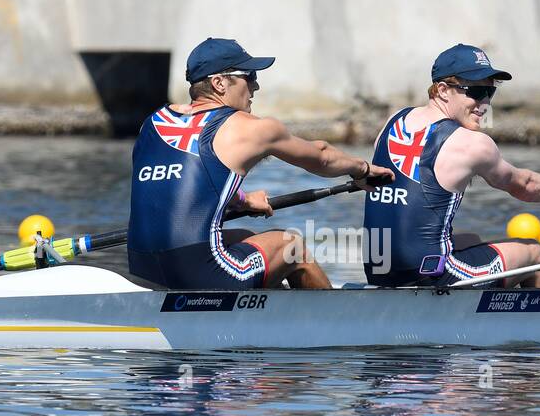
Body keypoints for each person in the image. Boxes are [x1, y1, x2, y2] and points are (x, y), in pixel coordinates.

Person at [128, 38, 392, 289]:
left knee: (244, 236)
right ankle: (335, 323)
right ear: (219, 83)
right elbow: (321, 156)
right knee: (293, 246)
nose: (255, 87)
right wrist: (363, 170)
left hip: (142, 266)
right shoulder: (253, 129)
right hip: (197, 272)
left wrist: (241, 200)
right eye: (249, 77)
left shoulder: (151, 123)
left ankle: (262, 308)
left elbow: (183, 183)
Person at [363, 43, 540, 288]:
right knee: (533, 252)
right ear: (442, 90)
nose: (485, 104)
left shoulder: (394, 121)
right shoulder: (473, 144)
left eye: (489, 93)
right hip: (433, 275)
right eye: (475, 91)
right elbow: (524, 186)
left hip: (379, 270)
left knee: (470, 239)